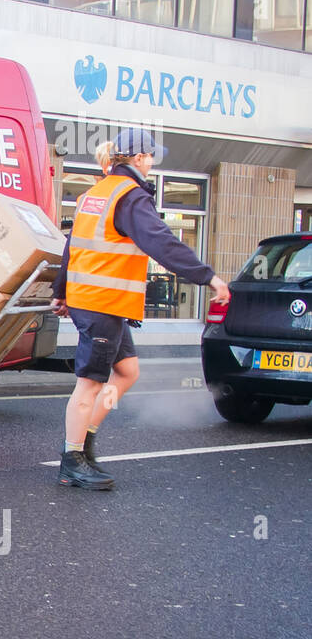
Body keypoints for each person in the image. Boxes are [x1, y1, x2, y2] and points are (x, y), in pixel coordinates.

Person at [50, 127, 230, 490]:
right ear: (138, 158)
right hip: (102, 302)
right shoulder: (129, 196)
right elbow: (160, 241)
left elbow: (73, 247)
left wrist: (62, 292)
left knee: (127, 371)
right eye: (150, 157)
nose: (151, 163)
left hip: (100, 301)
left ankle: (85, 441)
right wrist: (207, 277)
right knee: (89, 383)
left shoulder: (95, 194)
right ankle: (72, 460)